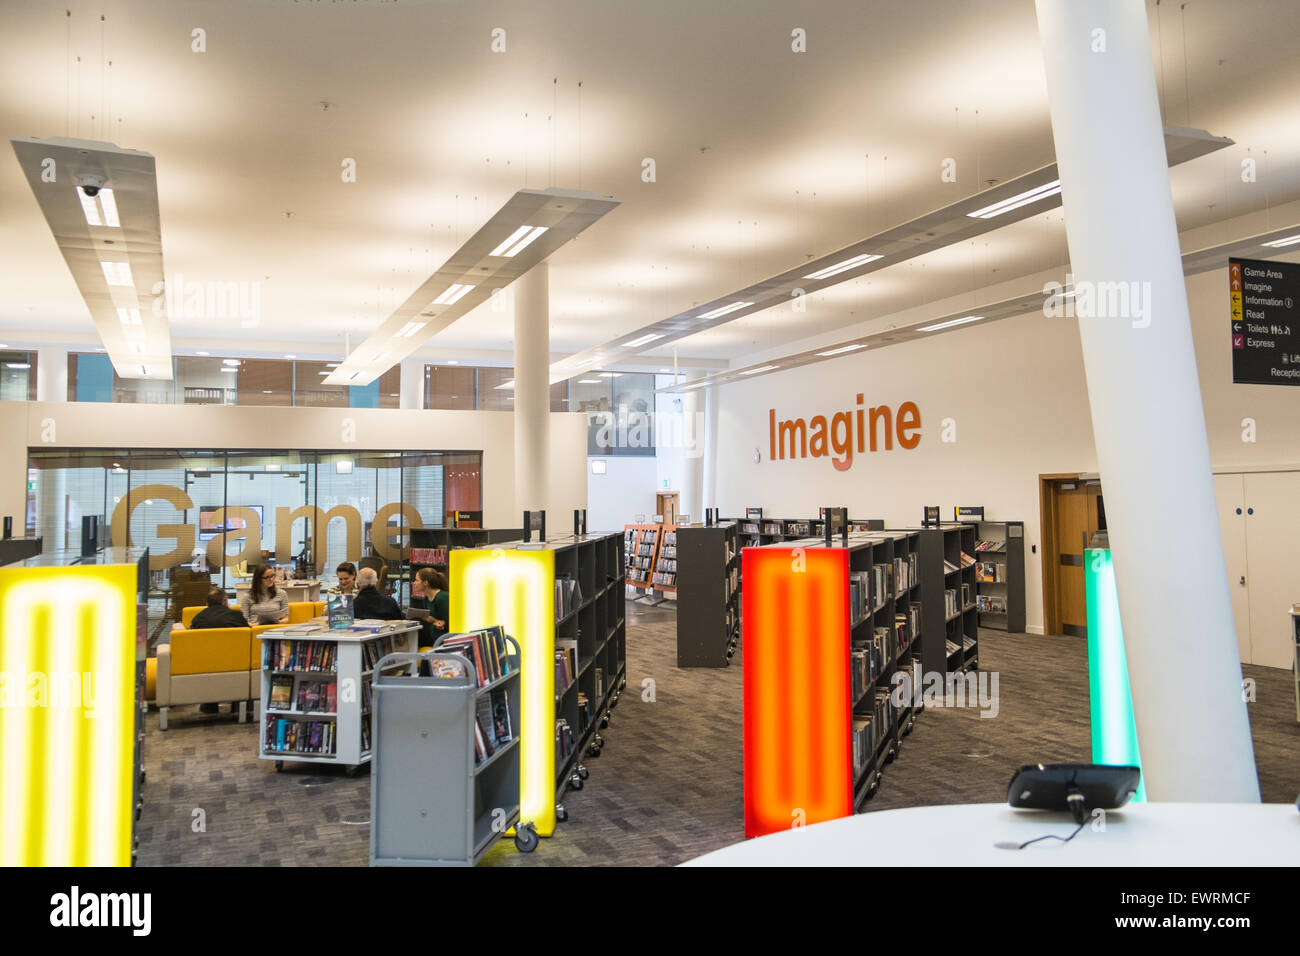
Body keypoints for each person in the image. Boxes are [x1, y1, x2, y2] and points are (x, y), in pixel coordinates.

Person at [409, 567, 449, 645]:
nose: (414, 583)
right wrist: (431, 620)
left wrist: (443, 623)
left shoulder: (442, 597)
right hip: (435, 640)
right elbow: (435, 620)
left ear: (425, 583)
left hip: (446, 641)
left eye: (417, 580)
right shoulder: (426, 598)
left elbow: (451, 622)